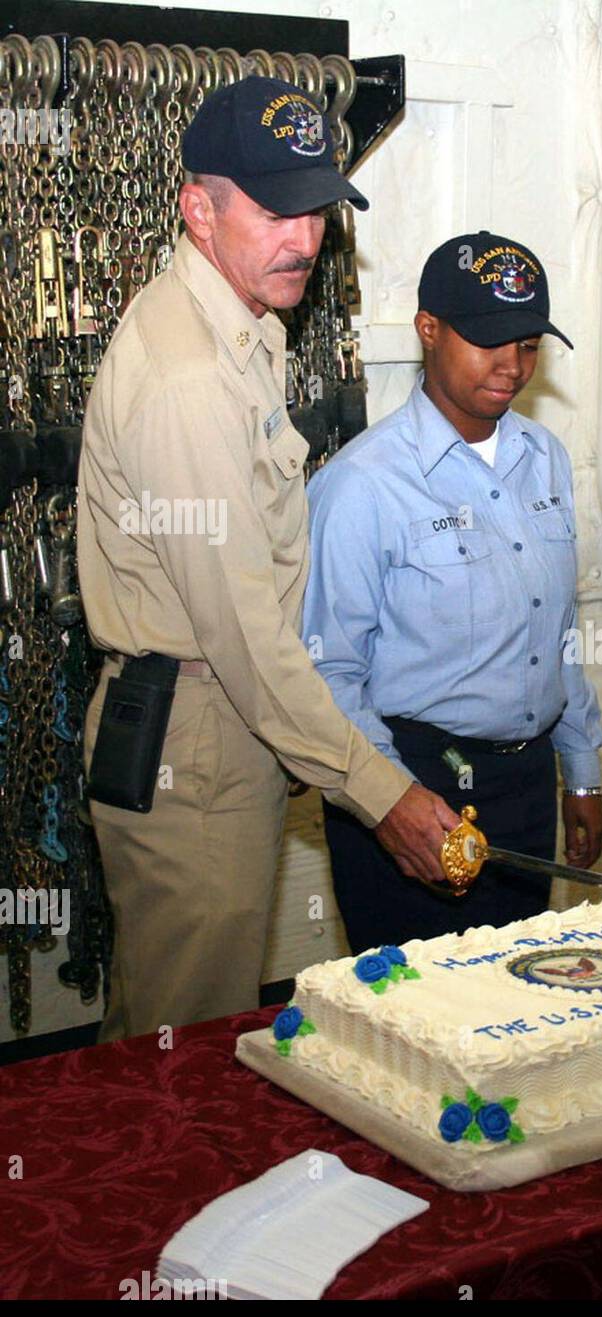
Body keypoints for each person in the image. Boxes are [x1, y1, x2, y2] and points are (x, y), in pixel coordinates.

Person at [77, 76, 457, 1042]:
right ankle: (159, 1194)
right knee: (186, 1040)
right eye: (275, 208)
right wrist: (382, 793)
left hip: (222, 726)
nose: (303, 236)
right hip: (196, 738)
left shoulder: (242, 326)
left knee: (169, 1013)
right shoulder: (191, 375)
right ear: (198, 210)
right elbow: (244, 633)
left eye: (318, 210)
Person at [302, 231, 602, 950]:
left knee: (513, 1004)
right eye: (487, 340)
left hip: (525, 783)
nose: (512, 366)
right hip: (414, 782)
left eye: (528, 343)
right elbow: (327, 671)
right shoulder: (362, 484)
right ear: (428, 330)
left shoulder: (545, 461)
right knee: (413, 1019)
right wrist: (394, 806)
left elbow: (555, 633)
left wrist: (582, 774)